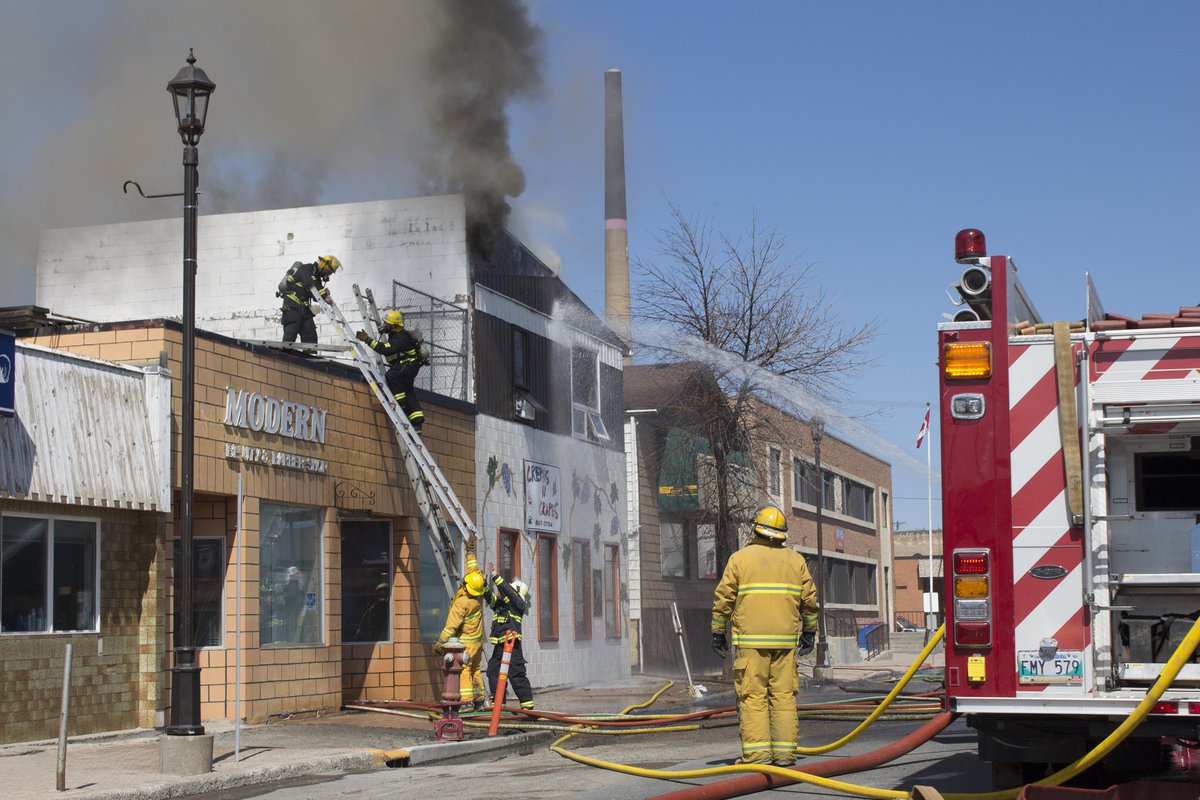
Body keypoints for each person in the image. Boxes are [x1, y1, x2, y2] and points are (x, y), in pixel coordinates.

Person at [711, 505, 819, 767]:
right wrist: (809, 632)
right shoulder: (796, 560)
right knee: (783, 696)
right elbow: (810, 601)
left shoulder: (740, 559)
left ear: (755, 528)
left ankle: (758, 755)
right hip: (785, 643)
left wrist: (717, 631)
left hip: (751, 643)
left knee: (753, 697)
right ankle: (784, 755)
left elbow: (724, 598)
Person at [433, 536, 486, 709]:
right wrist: (470, 553)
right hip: (477, 641)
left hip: (466, 643)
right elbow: (474, 570)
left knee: (463, 671)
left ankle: (465, 703)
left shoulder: (463, 602)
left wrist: (440, 643)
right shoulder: (478, 591)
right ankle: (479, 700)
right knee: (475, 670)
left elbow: (451, 626)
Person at [356, 309, 427, 432]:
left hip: (407, 366)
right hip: (410, 366)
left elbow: (385, 349)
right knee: (408, 390)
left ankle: (401, 407)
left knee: (392, 376)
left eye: (387, 324)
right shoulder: (397, 335)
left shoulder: (399, 338)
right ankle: (417, 423)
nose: (385, 326)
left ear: (394, 326)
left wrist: (367, 339)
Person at [483, 570, 534, 710]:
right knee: (493, 672)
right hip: (501, 644)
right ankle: (499, 704)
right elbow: (490, 598)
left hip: (512, 643)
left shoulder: (518, 604)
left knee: (516, 674)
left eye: (509, 588)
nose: (502, 591)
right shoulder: (502, 606)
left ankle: (527, 706)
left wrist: (495, 576)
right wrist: (484, 584)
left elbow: (509, 592)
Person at [277, 254, 342, 343]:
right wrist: (323, 295)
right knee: (290, 334)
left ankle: (310, 356)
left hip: (304, 308)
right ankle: (284, 355)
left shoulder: (317, 278)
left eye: (330, 273)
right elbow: (310, 282)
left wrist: (324, 294)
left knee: (311, 336)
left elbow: (315, 296)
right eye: (328, 271)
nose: (328, 274)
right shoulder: (307, 268)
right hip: (292, 305)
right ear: (323, 264)